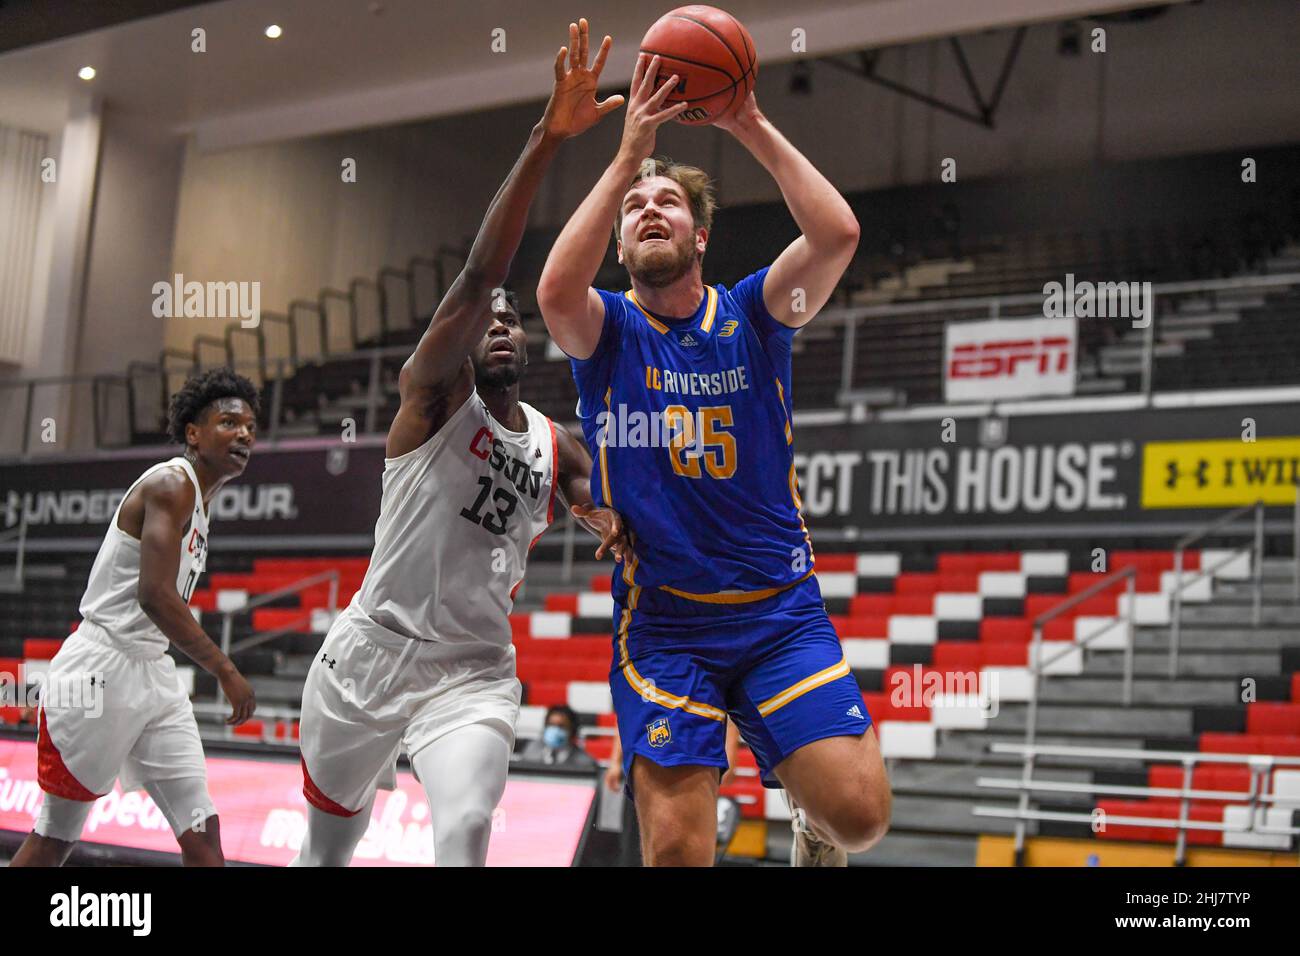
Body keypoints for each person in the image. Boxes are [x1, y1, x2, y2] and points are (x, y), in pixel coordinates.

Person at [536, 52, 892, 866]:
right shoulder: (606, 332)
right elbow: (555, 291)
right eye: (634, 209)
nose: (649, 210)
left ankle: (808, 819)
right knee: (676, 855)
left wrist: (747, 121)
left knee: (861, 821)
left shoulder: (756, 316)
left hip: (777, 608)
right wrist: (627, 157)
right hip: (667, 620)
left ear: (702, 235)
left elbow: (838, 233)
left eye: (668, 202)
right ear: (620, 244)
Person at [292, 18, 627, 868]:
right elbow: (481, 275)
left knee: (467, 828)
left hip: (471, 672)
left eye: (516, 320)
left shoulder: (565, 450)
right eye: (491, 319)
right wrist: (546, 140)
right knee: (327, 853)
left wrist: (627, 524)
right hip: (368, 655)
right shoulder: (434, 398)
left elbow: (641, 498)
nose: (503, 324)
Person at [10, 368, 261, 866]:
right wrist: (225, 670)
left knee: (202, 834)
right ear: (194, 432)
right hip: (99, 670)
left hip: (152, 671)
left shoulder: (202, 502)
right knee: (54, 839)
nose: (245, 434)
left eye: (251, 426)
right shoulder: (172, 483)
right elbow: (155, 596)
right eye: (229, 422)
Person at [518, 704, 596, 769]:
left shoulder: (585, 763)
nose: (555, 730)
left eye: (561, 726)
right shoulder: (530, 752)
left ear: (572, 730)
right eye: (551, 725)